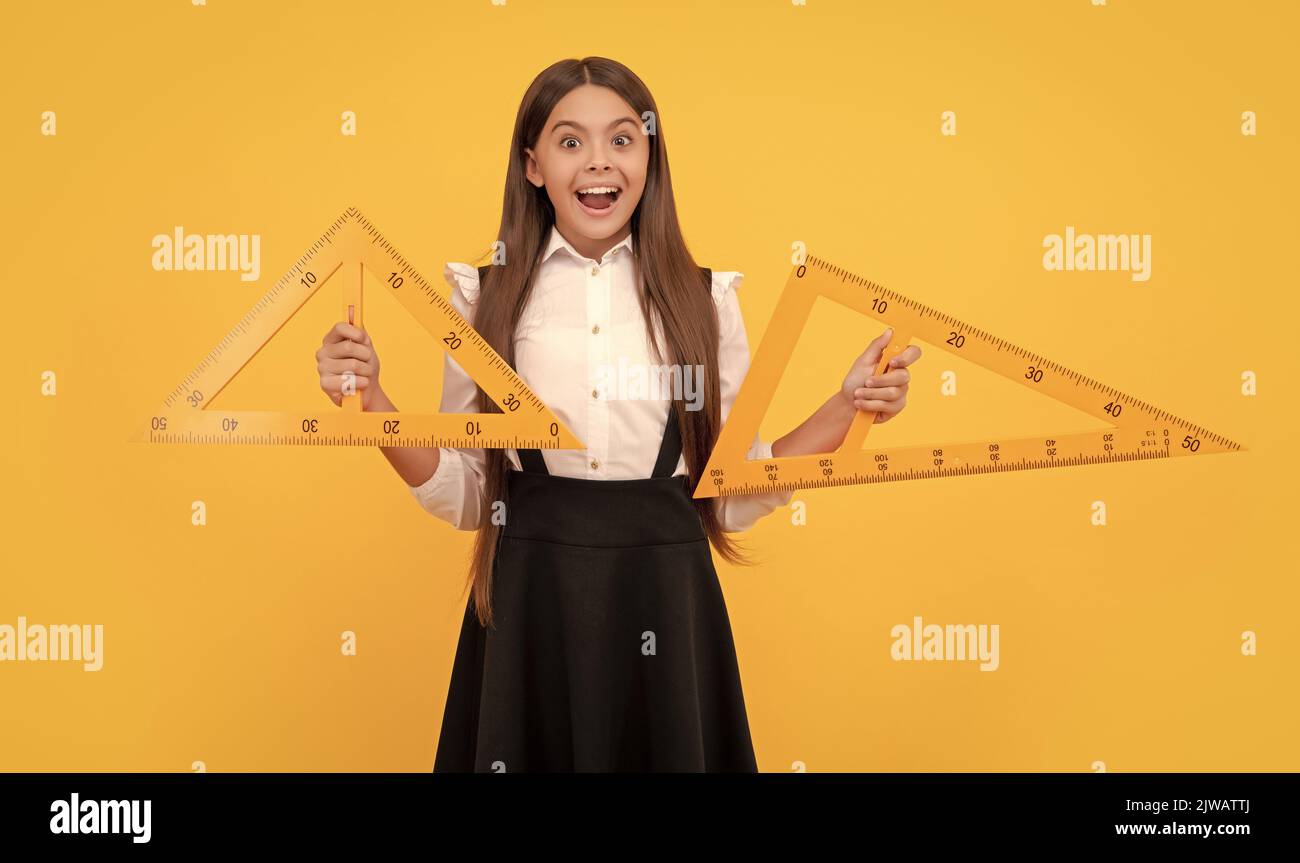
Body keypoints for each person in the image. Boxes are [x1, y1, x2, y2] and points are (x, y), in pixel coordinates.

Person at [315, 57, 921, 772]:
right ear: (533, 163)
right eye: (570, 142)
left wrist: (845, 408)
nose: (598, 163)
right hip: (531, 600)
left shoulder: (705, 300)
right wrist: (375, 402)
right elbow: (469, 491)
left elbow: (732, 490)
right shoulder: (484, 298)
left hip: (666, 596)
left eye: (622, 139)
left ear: (650, 155)